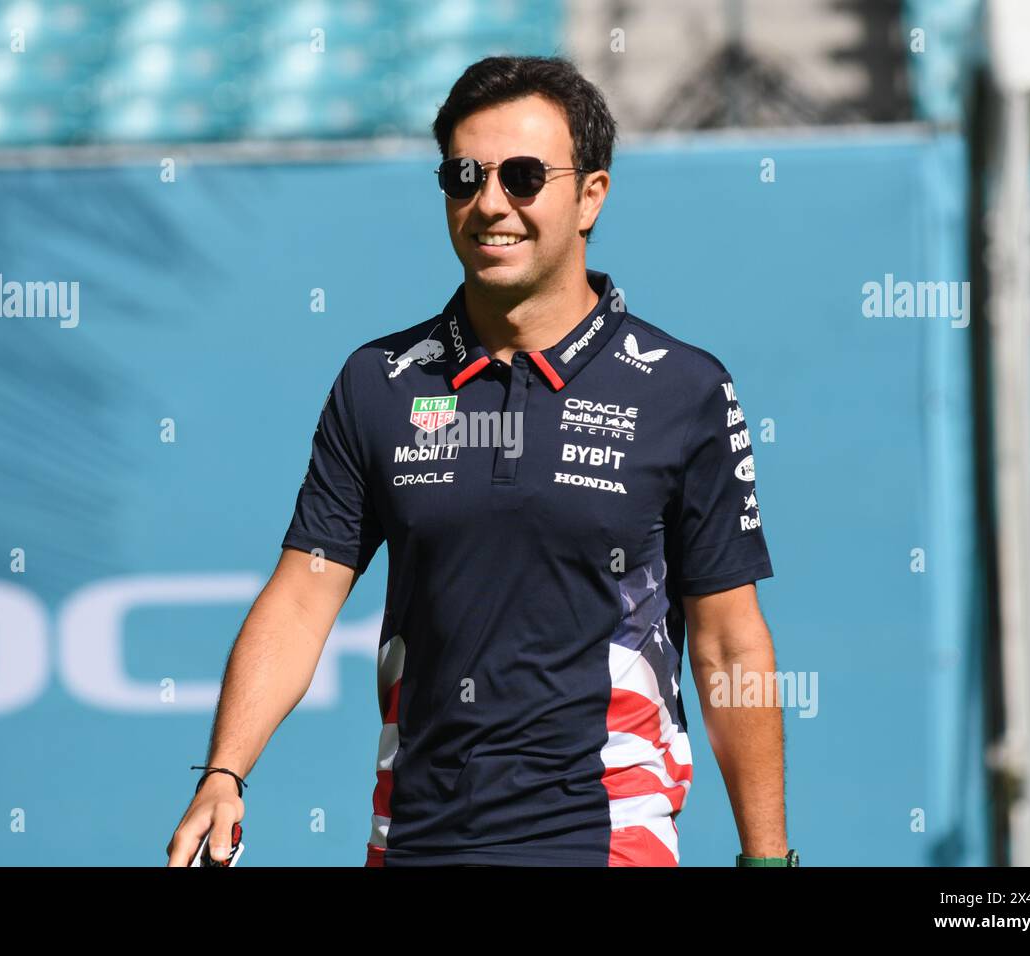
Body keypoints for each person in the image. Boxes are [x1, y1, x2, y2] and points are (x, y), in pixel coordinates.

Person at [167, 55, 790, 867]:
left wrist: (768, 858)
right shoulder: (378, 382)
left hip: (607, 836)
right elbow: (300, 600)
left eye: (524, 176)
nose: (491, 203)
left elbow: (728, 642)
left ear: (591, 195)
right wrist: (225, 772)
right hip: (415, 840)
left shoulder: (684, 387)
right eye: (464, 176)